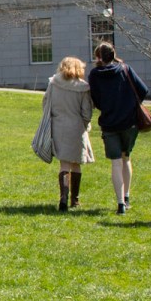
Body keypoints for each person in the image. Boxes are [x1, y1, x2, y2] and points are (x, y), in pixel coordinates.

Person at [86, 42, 149, 215]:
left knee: (115, 162)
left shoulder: (94, 75)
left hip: (109, 124)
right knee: (126, 158)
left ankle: (120, 203)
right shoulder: (125, 69)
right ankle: (126, 196)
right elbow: (143, 90)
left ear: (98, 57)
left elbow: (96, 99)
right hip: (129, 122)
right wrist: (129, 105)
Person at [44, 56, 95, 211]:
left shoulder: (53, 83)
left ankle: (63, 197)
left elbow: (46, 104)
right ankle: (75, 199)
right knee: (76, 164)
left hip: (58, 126)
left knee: (64, 164)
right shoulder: (83, 88)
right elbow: (87, 113)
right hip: (77, 128)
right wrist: (85, 124)